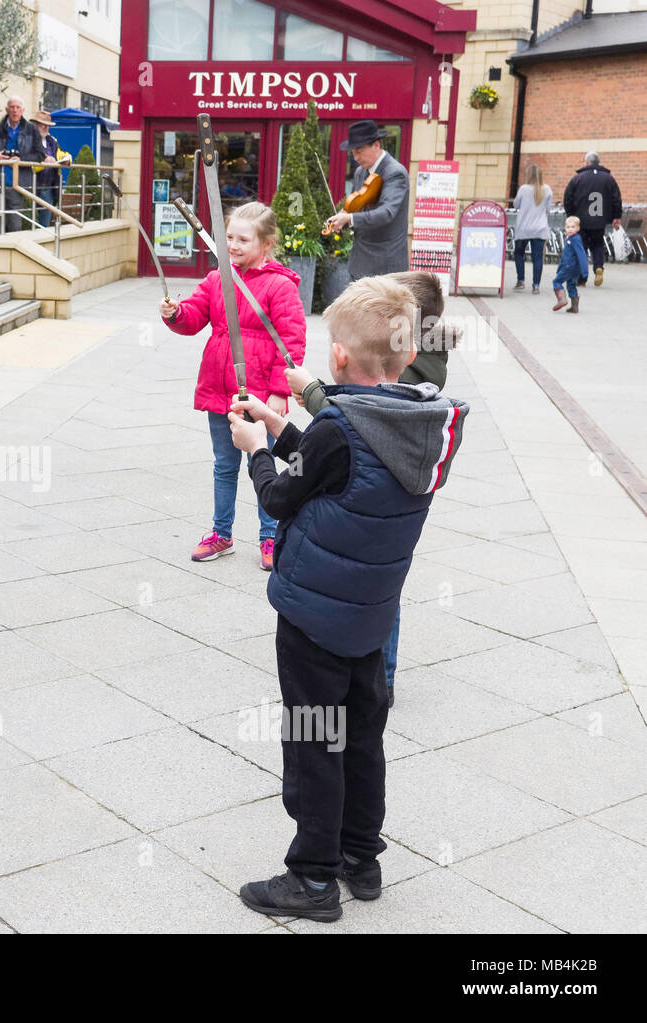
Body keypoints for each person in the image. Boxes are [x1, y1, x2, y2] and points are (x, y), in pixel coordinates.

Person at [229, 275, 468, 922]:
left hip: (314, 619)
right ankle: (361, 857)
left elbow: (285, 495)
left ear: (338, 356)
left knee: (315, 742)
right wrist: (285, 430)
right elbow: (335, 472)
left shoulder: (337, 427)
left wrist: (256, 451)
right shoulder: (418, 421)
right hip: (369, 616)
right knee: (363, 736)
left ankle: (311, 877)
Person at [286, 271, 463, 709]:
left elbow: (361, 421)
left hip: (367, 501)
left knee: (372, 595)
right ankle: (377, 679)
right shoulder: (422, 357)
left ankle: (380, 676)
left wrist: (311, 393)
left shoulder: (407, 363)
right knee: (381, 591)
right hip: (388, 506)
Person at [159, 201, 307, 571]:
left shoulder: (280, 285)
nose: (234, 245)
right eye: (229, 238)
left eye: (244, 239)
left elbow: (291, 340)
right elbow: (194, 316)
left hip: (260, 395)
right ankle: (221, 533)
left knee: (266, 463)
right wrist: (176, 314)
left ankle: (270, 535)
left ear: (267, 243)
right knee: (224, 465)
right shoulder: (215, 279)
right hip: (220, 388)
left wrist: (278, 390)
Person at [324, 120, 410, 280]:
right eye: (353, 153)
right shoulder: (360, 172)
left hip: (386, 266)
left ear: (376, 145)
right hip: (360, 263)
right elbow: (357, 206)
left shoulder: (395, 172)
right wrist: (342, 219)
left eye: (359, 151)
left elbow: (386, 213)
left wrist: (350, 218)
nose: (355, 157)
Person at [0, 97, 41, 231]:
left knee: (15, 225)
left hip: (17, 185)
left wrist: (21, 160)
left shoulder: (31, 130)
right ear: (6, 109)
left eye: (18, 107)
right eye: (12, 107)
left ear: (23, 110)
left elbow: (40, 155)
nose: (15, 110)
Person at [563, 152, 622, 288]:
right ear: (598, 162)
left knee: (581, 247)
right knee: (598, 245)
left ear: (587, 162)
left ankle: (581, 279)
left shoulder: (578, 178)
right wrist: (616, 216)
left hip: (581, 220)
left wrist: (571, 215)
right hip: (600, 219)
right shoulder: (609, 178)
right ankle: (598, 267)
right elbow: (616, 198)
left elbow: (568, 198)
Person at [512, 164, 553, 294]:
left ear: (528, 175)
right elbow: (548, 209)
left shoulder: (523, 189)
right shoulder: (547, 189)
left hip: (524, 227)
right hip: (540, 228)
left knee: (519, 254)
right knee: (538, 258)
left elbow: (516, 205)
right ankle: (536, 286)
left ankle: (521, 281)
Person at [29, 110, 69, 227]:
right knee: (30, 223)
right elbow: (26, 160)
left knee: (44, 225)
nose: (46, 128)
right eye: (43, 125)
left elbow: (61, 154)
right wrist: (43, 163)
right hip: (32, 187)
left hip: (49, 189)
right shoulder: (28, 140)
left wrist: (67, 159)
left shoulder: (52, 141)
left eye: (48, 126)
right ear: (35, 126)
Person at [552, 215, 587, 314]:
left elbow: (581, 254)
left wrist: (584, 271)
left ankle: (561, 300)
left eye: (573, 227)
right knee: (571, 285)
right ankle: (574, 307)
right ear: (565, 228)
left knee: (556, 282)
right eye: (568, 227)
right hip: (573, 268)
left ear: (578, 228)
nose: (570, 229)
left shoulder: (574, 239)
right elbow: (565, 256)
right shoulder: (571, 238)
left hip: (569, 267)